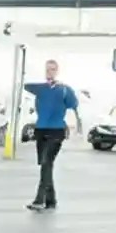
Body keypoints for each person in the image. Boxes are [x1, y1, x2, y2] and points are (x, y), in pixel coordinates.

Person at [24, 59, 82, 211]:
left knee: (46, 163)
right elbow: (25, 85)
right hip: (41, 129)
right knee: (45, 164)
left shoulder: (64, 89)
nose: (50, 72)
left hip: (56, 130)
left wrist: (78, 125)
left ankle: (39, 199)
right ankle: (51, 200)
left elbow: (74, 105)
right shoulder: (40, 88)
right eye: (48, 69)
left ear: (58, 71)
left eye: (53, 69)